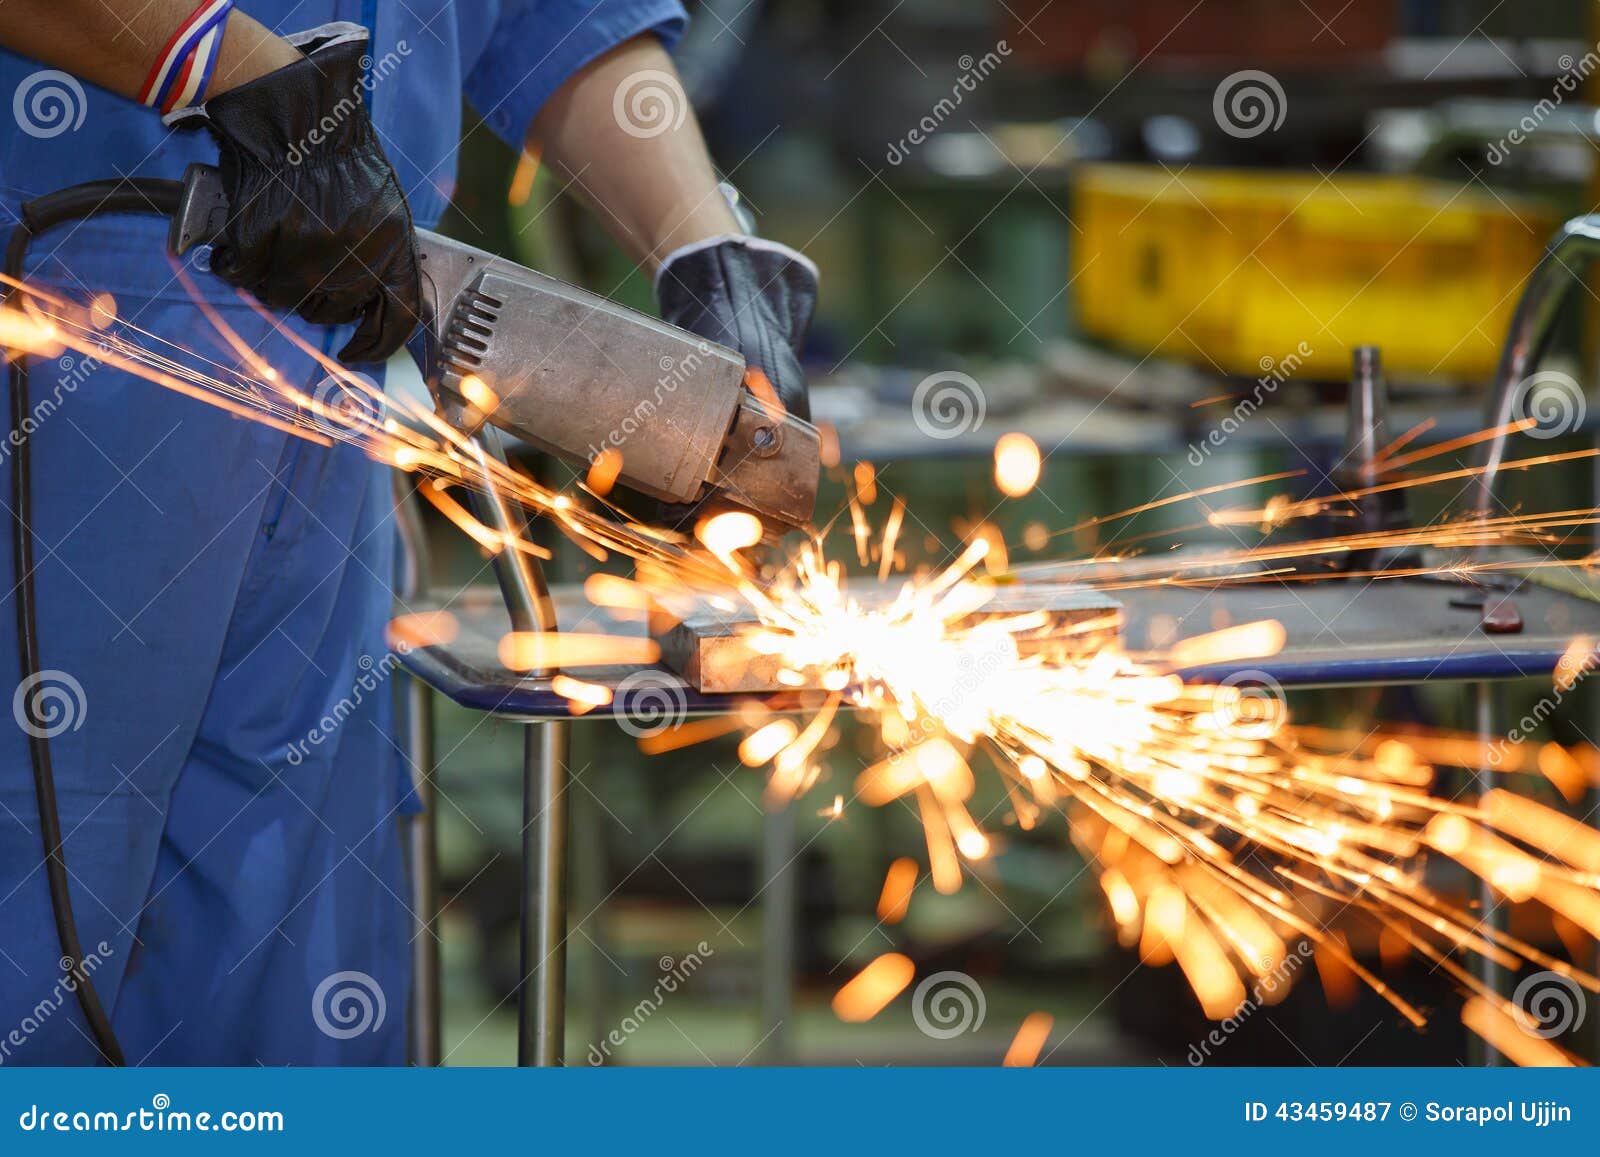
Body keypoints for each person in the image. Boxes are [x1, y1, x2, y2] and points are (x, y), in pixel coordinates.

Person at [0, 0, 816, 1064]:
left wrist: (701, 243)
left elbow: (550, 17)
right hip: (70, 324)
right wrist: (244, 74)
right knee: (40, 921)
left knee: (292, 953)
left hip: (339, 334)